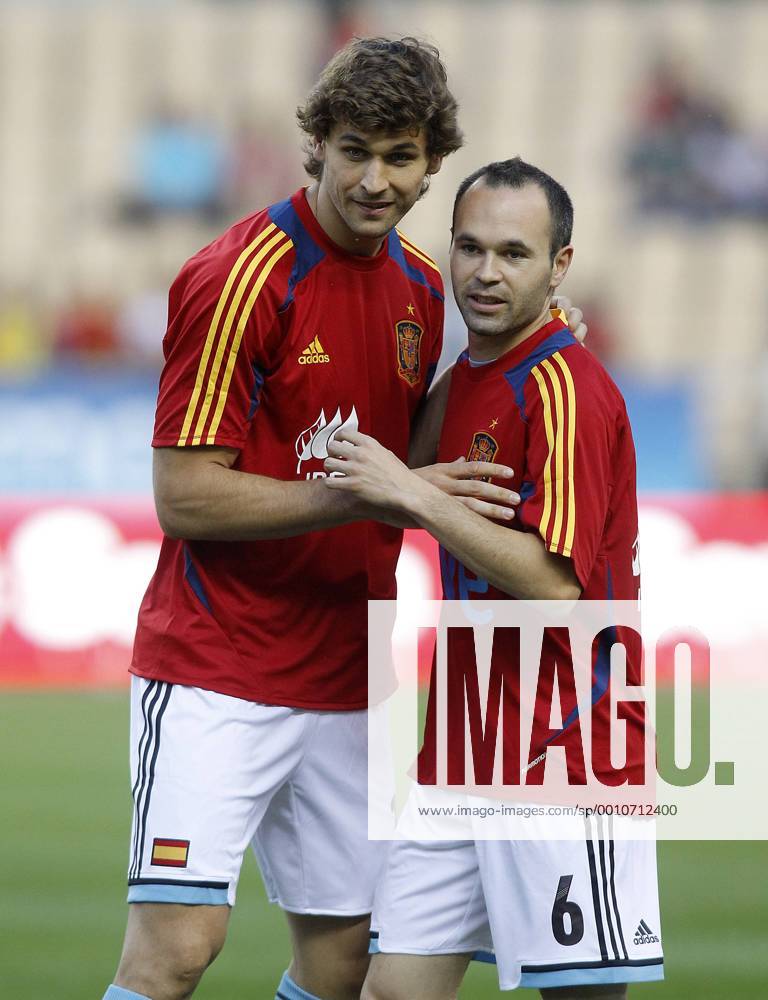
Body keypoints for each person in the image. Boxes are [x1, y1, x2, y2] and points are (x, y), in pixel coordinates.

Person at [103, 40, 589, 1000]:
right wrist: (363, 493)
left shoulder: (417, 285)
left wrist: (529, 343)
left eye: (400, 155)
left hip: (352, 669)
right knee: (177, 952)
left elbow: (402, 448)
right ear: (314, 147)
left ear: (432, 162)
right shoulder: (240, 275)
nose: (376, 179)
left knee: (339, 967)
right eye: (355, 149)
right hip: (219, 666)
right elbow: (184, 495)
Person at [322, 158, 662, 998]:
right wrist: (404, 487)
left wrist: (412, 492)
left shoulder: (566, 389)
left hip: (567, 747)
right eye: (469, 248)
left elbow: (555, 587)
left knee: (578, 990)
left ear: (560, 266)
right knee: (391, 988)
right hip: (466, 745)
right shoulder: (461, 384)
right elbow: (396, 488)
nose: (484, 272)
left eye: (514, 252)